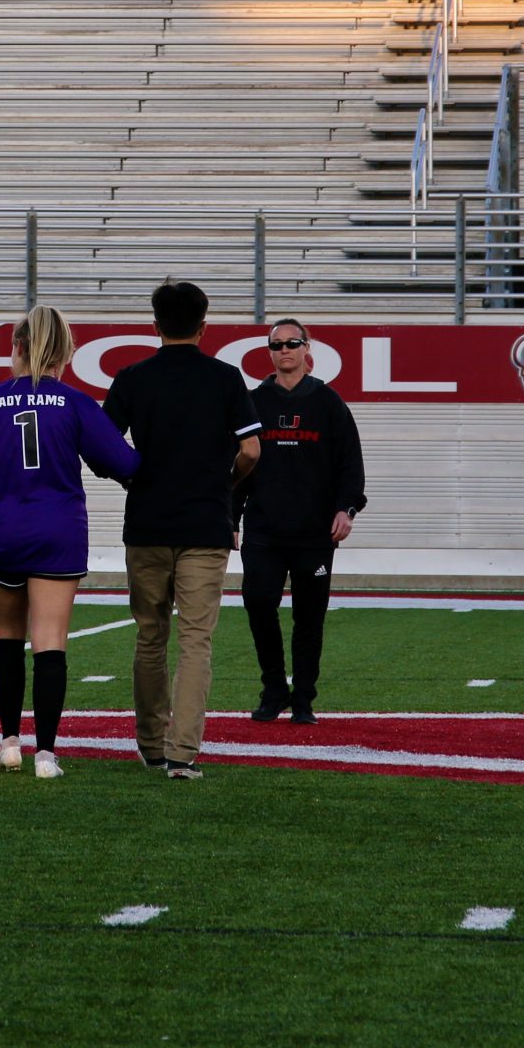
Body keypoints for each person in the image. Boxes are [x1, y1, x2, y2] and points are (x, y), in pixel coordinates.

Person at [0, 305, 140, 778]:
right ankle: (47, 754)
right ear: (66, 354)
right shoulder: (75, 402)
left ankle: (10, 742)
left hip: (3, 532)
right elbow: (125, 463)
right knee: (50, 643)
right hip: (57, 531)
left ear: (16, 348)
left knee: (7, 639)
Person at [103, 280, 261, 779]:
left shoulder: (132, 377)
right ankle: (182, 751)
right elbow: (252, 451)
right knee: (196, 641)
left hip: (147, 521)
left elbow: (105, 446)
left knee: (150, 636)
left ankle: (150, 742)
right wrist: (225, 482)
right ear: (203, 325)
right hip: (205, 523)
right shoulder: (225, 377)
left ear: (155, 324)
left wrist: (134, 475)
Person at [232, 319, 366, 724]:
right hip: (264, 530)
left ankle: (304, 698)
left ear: (307, 349)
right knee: (258, 604)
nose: (284, 350)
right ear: (269, 351)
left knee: (309, 616)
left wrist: (347, 508)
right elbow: (238, 463)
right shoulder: (254, 402)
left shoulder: (328, 403)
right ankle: (273, 690)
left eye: (292, 343)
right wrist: (230, 516)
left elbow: (350, 464)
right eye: (277, 344)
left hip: (314, 532)